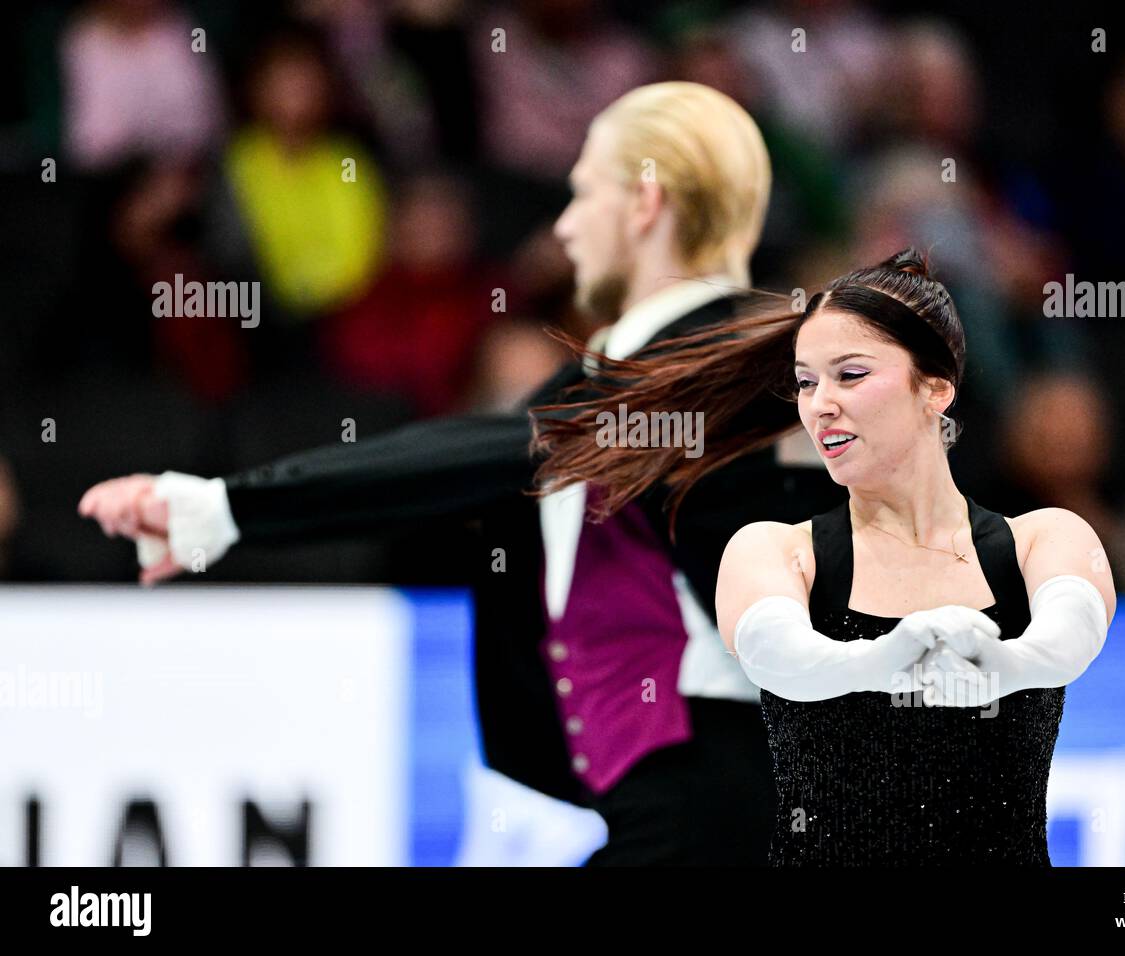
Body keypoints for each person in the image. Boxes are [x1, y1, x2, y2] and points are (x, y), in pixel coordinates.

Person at [77, 82, 844, 866]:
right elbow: (481, 458)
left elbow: (487, 453)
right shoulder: (657, 369)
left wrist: (222, 509)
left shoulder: (720, 366)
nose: (567, 230)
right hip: (680, 800)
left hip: (715, 799)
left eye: (581, 196)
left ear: (645, 201)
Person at [530, 248, 1118, 865]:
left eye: (851, 375)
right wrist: (888, 662)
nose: (820, 404)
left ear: (936, 388)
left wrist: (994, 663)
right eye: (807, 381)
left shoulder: (1043, 539)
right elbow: (777, 655)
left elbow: (1071, 637)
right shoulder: (775, 551)